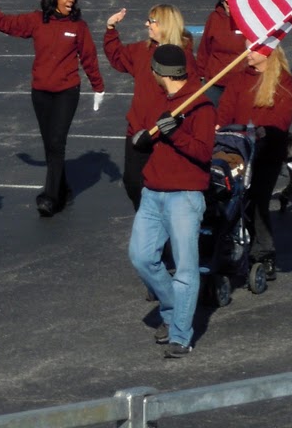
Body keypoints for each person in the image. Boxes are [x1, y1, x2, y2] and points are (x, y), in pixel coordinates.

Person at [0, 0, 104, 215]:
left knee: (56, 142)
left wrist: (98, 87)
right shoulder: (36, 20)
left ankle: (50, 198)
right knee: (50, 146)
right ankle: (63, 189)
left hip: (67, 92)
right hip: (41, 93)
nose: (71, 0)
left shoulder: (78, 26)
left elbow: (89, 58)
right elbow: (4, 23)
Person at [128, 42, 217, 358]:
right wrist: (141, 137)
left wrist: (175, 134)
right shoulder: (161, 99)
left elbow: (204, 153)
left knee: (185, 269)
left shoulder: (200, 106)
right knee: (141, 257)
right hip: (153, 193)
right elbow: (145, 129)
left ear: (158, 73)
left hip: (184, 197)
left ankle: (181, 334)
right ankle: (172, 308)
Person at [104, 3, 200, 207]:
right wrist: (111, 29)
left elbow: (191, 96)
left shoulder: (183, 57)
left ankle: (157, 225)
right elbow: (118, 57)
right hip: (138, 132)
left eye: (152, 21)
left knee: (161, 186)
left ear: (165, 25)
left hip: (165, 134)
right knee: (132, 182)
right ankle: (148, 220)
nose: (147, 24)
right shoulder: (142, 50)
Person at [218, 45, 292, 276]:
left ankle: (264, 252)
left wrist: (263, 134)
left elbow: (282, 120)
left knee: (257, 201)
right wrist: (218, 127)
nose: (247, 52)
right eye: (246, 48)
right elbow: (224, 111)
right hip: (238, 151)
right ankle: (230, 245)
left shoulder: (284, 82)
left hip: (267, 153)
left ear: (269, 52)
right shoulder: (238, 79)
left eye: (253, 48)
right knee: (230, 200)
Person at [195, 0, 250, 95]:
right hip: (214, 82)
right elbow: (204, 49)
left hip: (242, 84)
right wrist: (200, 75)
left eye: (234, 1)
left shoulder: (252, 19)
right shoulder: (214, 18)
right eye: (226, 2)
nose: (230, 6)